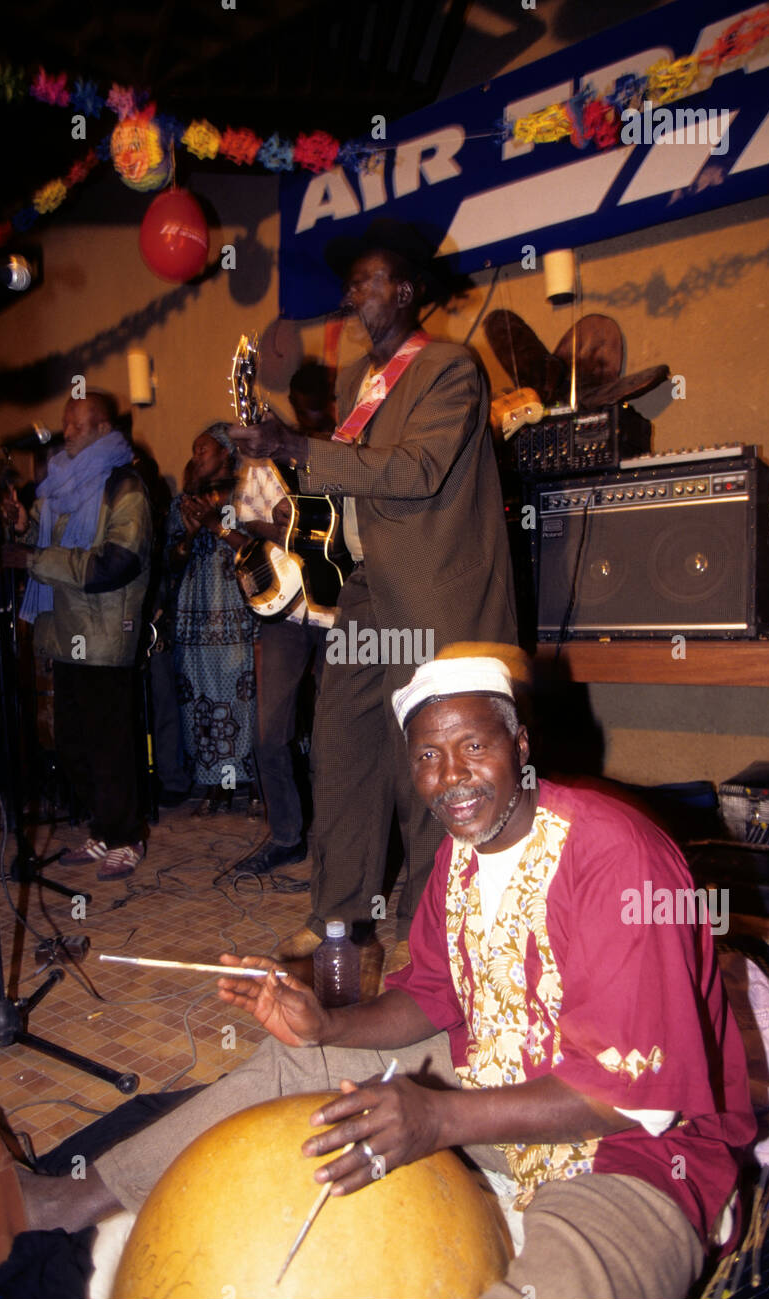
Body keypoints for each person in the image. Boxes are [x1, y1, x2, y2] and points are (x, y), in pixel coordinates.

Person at [0, 655, 755, 1299]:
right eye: (429, 758)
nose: (454, 777)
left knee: (570, 1270)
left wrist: (438, 1122)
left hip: (644, 1153)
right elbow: (432, 997)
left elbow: (635, 1096)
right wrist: (331, 1028)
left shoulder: (615, 856)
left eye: (476, 746)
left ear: (521, 745)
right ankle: (62, 1201)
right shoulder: (458, 858)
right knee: (304, 1063)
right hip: (498, 1090)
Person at [231, 223, 518, 969]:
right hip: (363, 588)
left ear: (411, 290)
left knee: (426, 758)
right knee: (342, 743)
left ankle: (428, 942)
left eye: (370, 280)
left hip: (433, 593)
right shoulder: (364, 377)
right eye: (352, 283)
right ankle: (340, 916)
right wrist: (282, 470)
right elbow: (356, 483)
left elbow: (416, 470)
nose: (355, 294)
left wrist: (298, 446)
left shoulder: (451, 367)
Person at [2, 392, 151, 880]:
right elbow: (49, 553)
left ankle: (127, 837)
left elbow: (118, 561)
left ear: (104, 427)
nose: (66, 432)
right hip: (66, 632)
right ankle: (103, 829)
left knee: (109, 744)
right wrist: (21, 539)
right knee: (71, 743)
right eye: (65, 423)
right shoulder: (60, 488)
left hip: (106, 631)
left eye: (77, 425)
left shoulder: (124, 484)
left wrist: (34, 559)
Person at [232, 363, 339, 875]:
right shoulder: (264, 458)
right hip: (284, 609)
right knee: (269, 733)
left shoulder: (348, 448)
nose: (309, 411)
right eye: (301, 402)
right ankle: (287, 836)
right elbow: (244, 513)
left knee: (338, 735)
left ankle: (346, 842)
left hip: (340, 610)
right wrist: (274, 527)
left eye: (319, 403)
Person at [165, 425, 258, 815]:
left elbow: (258, 549)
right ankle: (215, 782)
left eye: (203, 449)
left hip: (236, 610)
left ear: (225, 452)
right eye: (193, 450)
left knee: (243, 697)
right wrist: (186, 539)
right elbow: (168, 562)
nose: (196, 455)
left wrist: (213, 526)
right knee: (199, 697)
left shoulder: (245, 494)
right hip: (194, 614)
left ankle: (252, 781)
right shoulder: (182, 502)